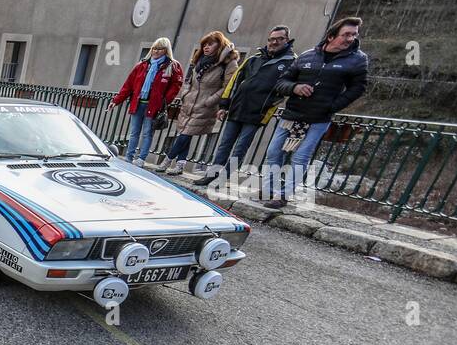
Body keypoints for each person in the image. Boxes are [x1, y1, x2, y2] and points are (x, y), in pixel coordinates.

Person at [261, 16, 368, 207]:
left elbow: (358, 88)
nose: (350, 38)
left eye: (354, 35)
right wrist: (295, 88)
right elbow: (282, 82)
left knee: (301, 156)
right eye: (346, 34)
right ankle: (268, 190)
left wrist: (332, 106)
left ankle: (283, 196)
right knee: (273, 151)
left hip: (319, 117)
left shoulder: (357, 60)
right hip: (292, 113)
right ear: (331, 36)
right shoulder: (308, 55)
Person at [193, 26, 295, 187]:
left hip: (259, 112)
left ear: (287, 40)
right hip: (238, 107)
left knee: (240, 148)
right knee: (224, 144)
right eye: (271, 39)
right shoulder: (254, 59)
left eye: (279, 39)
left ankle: (223, 178)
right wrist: (224, 104)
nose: (274, 42)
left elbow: (286, 88)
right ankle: (211, 175)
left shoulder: (291, 62)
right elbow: (235, 81)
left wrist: (271, 105)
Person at [156, 31, 238, 175]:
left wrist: (210, 100)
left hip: (205, 106)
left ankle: (167, 160)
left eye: (210, 44)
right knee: (185, 133)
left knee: (185, 134)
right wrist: (186, 94)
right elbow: (189, 80)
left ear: (219, 45)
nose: (206, 47)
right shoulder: (201, 60)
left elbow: (229, 86)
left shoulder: (229, 63)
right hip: (190, 102)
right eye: (204, 45)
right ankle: (180, 166)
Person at [111, 38, 182, 165]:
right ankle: (129, 157)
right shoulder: (142, 65)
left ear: (166, 51)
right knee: (134, 132)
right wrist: (116, 101)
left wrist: (164, 101)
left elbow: (176, 86)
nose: (155, 51)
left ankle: (141, 159)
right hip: (138, 103)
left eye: (159, 49)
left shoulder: (172, 66)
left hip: (154, 106)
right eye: (154, 48)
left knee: (147, 133)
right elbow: (128, 85)